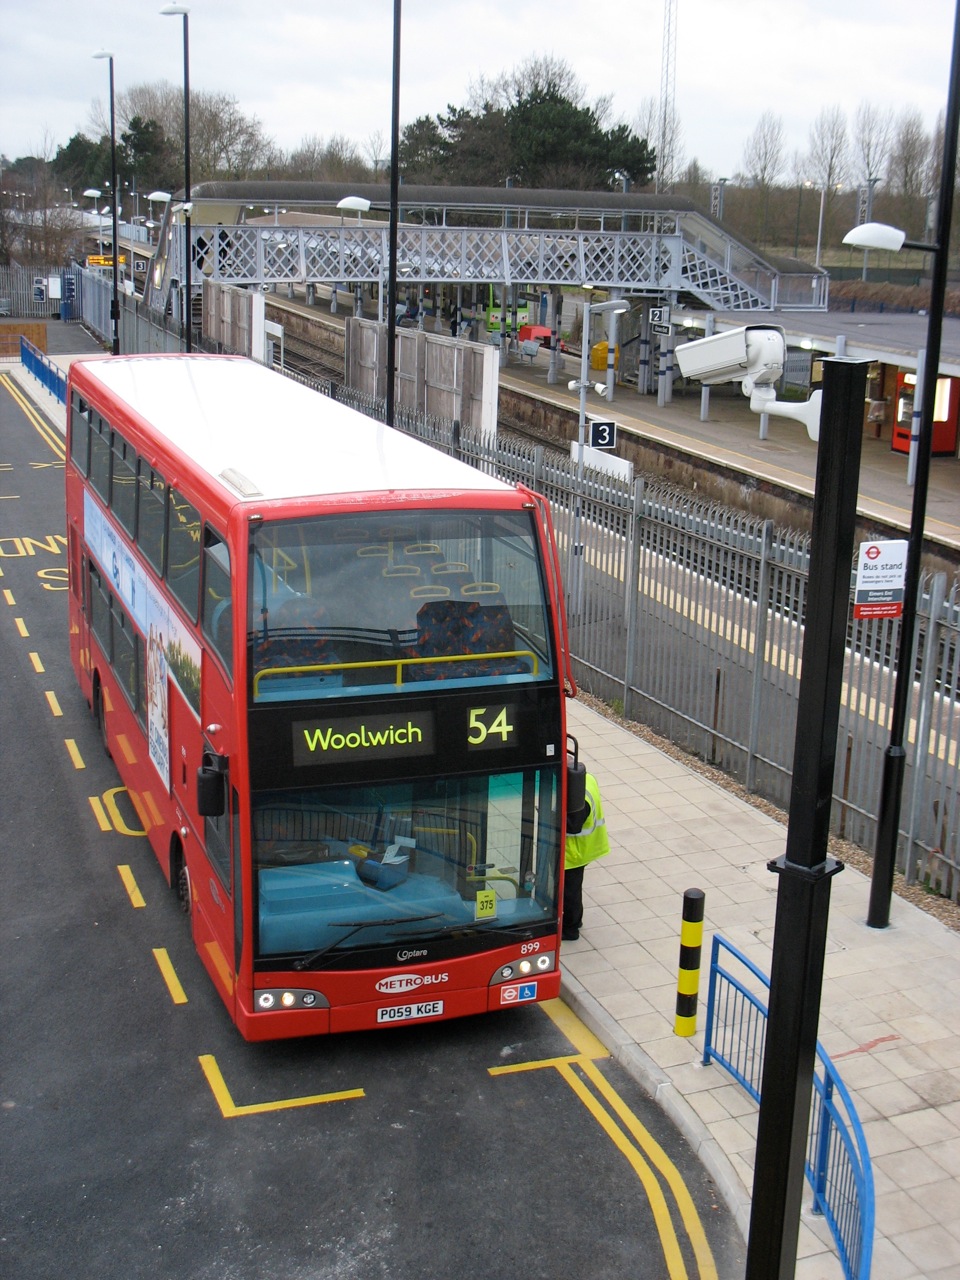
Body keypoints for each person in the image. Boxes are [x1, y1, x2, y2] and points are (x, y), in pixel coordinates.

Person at [562, 771, 609, 941]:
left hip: (574, 852)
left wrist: (551, 816)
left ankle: (570, 929)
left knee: (570, 892)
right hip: (582, 848)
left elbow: (573, 825)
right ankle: (574, 921)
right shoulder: (587, 778)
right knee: (572, 889)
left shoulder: (579, 798)